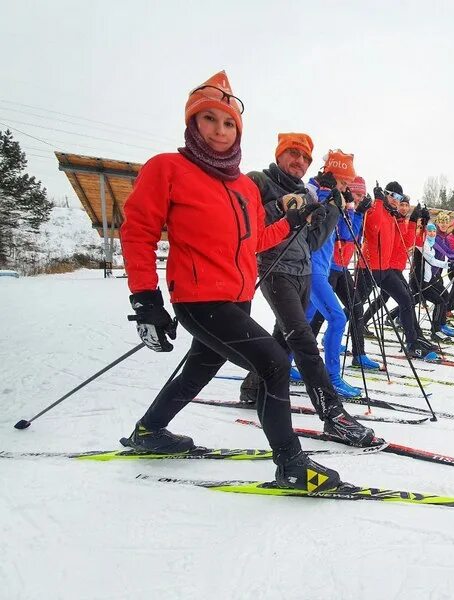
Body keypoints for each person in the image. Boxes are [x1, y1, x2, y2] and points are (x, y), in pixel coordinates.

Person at [119, 71, 341, 490]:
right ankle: (292, 465)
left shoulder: (241, 186)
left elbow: (256, 239)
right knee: (275, 362)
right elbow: (138, 232)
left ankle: (150, 431)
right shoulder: (168, 168)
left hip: (236, 299)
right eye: (208, 119)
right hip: (200, 300)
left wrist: (292, 221)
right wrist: (145, 298)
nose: (219, 130)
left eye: (228, 123)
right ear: (192, 123)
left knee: (199, 369)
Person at [238, 133, 379, 447]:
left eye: (305, 157)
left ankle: (252, 388)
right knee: (303, 339)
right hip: (277, 271)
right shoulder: (262, 182)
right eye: (292, 154)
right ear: (279, 154)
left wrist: (330, 210)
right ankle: (333, 415)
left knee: (283, 340)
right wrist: (298, 203)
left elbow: (312, 241)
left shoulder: (309, 192)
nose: (298, 162)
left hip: (303, 272)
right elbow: (257, 225)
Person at [305, 151, 366, 398]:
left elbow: (343, 232)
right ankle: (331, 378)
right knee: (338, 318)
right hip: (312, 269)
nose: (344, 188)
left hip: (319, 267)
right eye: (343, 183)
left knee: (303, 323)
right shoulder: (312, 190)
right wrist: (328, 197)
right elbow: (311, 218)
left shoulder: (336, 198)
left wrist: (350, 209)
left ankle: (286, 366)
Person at [361, 182, 439, 360]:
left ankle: (413, 342)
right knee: (355, 307)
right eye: (394, 198)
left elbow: (410, 242)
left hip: (388, 268)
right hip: (371, 268)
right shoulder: (378, 210)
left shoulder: (394, 217)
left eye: (402, 200)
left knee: (407, 300)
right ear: (385, 195)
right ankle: (353, 341)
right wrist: (379, 202)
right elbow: (373, 227)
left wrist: (416, 222)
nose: (398, 203)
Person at [308, 176, 378, 369]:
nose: (359, 198)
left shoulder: (351, 210)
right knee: (320, 315)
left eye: (362, 195)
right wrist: (356, 213)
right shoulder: (341, 207)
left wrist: (359, 213)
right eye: (357, 194)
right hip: (329, 267)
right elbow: (346, 234)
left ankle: (359, 354)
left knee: (356, 307)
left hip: (342, 268)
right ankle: (306, 354)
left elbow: (354, 236)